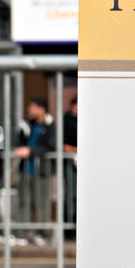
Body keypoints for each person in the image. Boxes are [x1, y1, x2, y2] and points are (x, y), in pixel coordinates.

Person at [14, 98, 55, 244]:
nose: (29, 110)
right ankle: (21, 233)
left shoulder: (50, 126)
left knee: (41, 202)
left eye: (32, 107)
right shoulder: (27, 124)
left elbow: (50, 146)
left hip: (41, 170)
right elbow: (18, 143)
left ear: (41, 109)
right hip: (25, 169)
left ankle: (42, 233)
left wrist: (30, 151)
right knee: (23, 201)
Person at [62, 96, 77, 238]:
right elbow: (63, 144)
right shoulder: (66, 120)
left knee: (79, 196)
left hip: (81, 162)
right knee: (71, 194)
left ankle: (76, 226)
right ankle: (69, 228)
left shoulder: (85, 119)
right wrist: (74, 150)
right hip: (70, 162)